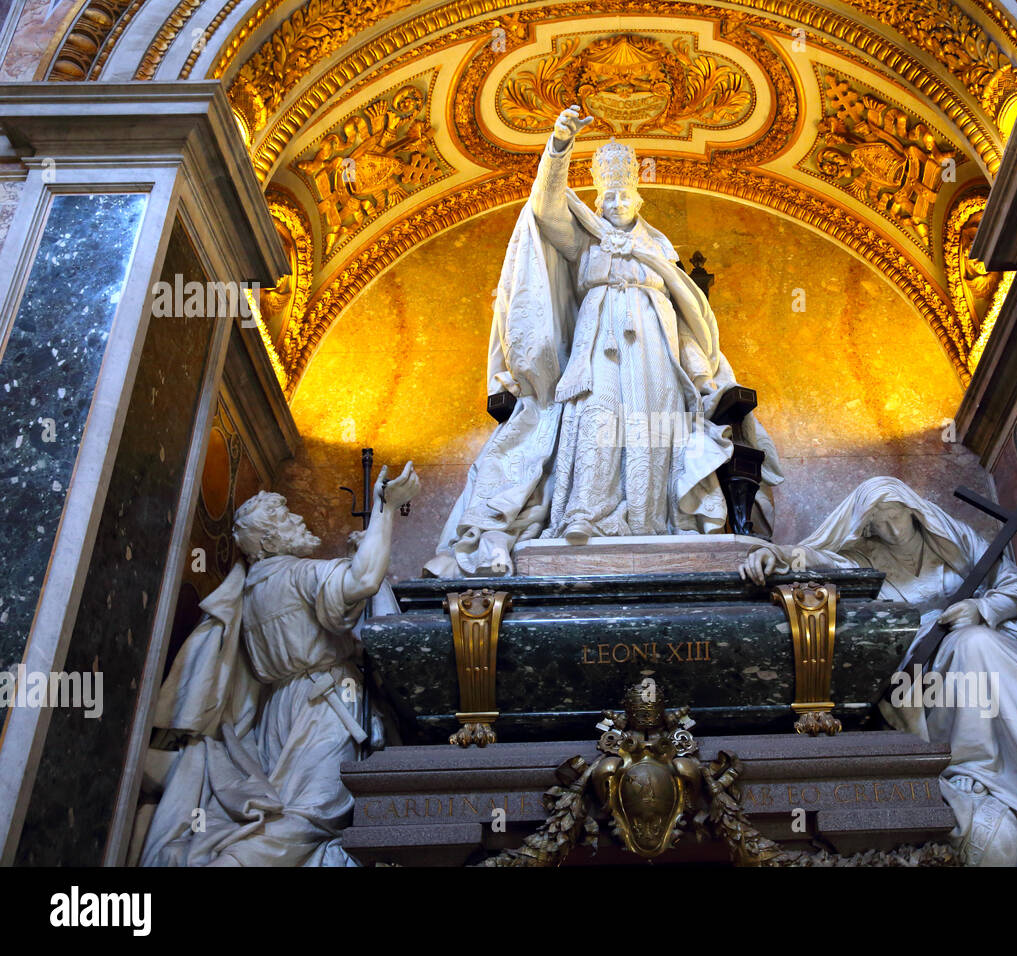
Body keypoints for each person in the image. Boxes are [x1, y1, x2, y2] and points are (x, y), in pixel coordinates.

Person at [739, 475, 1017, 866]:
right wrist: (772, 555)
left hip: (1010, 653)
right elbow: (814, 561)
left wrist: (985, 607)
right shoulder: (865, 559)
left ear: (913, 510)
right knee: (974, 646)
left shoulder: (955, 540)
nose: (891, 529)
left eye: (896, 516)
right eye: (878, 523)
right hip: (932, 683)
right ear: (865, 527)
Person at [424, 105, 781, 578]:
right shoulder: (585, 241)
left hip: (655, 354)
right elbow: (546, 211)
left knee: (651, 427)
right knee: (595, 417)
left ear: (639, 200)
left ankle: (650, 521)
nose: (614, 204)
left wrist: (703, 377)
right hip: (594, 353)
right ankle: (584, 515)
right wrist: (559, 145)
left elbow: (686, 321)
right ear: (598, 201)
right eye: (607, 197)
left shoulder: (658, 253)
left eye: (623, 195)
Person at [139, 463, 419, 866]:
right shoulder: (299, 576)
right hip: (326, 706)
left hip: (277, 711)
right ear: (270, 538)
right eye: (288, 517)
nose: (299, 519)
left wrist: (353, 551)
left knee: (286, 806)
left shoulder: (249, 590)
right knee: (315, 812)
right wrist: (385, 510)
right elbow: (363, 581)